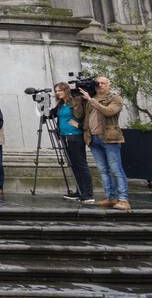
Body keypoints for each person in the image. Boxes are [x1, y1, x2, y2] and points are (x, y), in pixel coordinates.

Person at [79, 76, 129, 210]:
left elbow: (109, 112)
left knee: (116, 169)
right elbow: (86, 118)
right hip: (93, 139)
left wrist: (90, 99)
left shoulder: (115, 98)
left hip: (109, 138)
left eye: (103, 83)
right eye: (98, 83)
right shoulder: (91, 99)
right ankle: (110, 197)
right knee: (103, 170)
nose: (100, 85)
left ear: (109, 85)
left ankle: (123, 199)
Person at [52, 82, 94, 204]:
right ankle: (79, 191)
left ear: (66, 90)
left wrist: (80, 125)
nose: (57, 93)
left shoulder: (76, 101)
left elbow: (87, 115)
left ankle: (88, 194)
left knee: (81, 165)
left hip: (75, 136)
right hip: (64, 136)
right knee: (74, 165)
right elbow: (51, 114)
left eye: (60, 90)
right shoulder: (61, 104)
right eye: (56, 91)